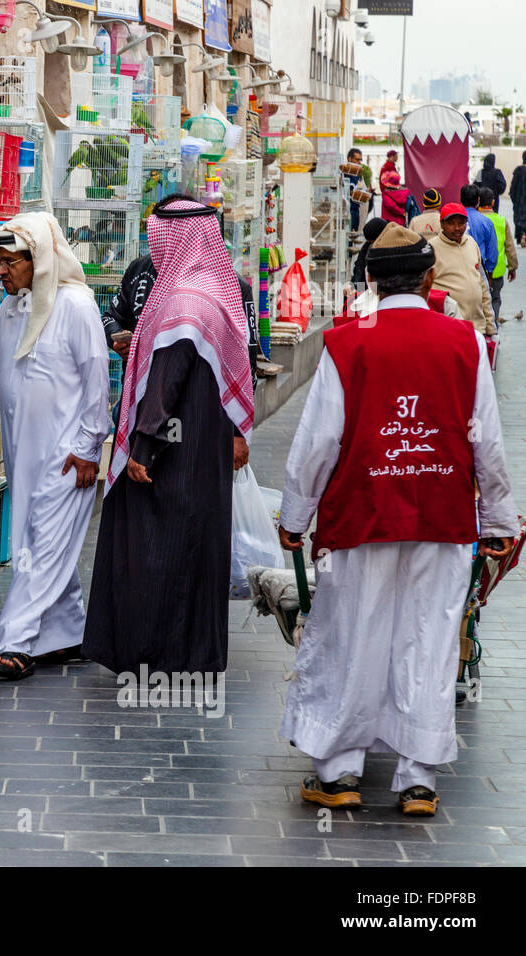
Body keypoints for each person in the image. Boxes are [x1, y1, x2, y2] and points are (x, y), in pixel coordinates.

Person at [278, 222, 517, 816]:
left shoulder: (346, 343)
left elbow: (318, 443)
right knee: (430, 640)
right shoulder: (464, 342)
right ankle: (418, 779)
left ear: (370, 281)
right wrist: (499, 522)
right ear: (430, 276)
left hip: (360, 518)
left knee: (348, 636)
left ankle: (339, 774)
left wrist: (293, 516)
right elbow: (486, 444)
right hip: (444, 517)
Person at [82, 199, 254, 675]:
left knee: (159, 549)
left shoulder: (183, 299)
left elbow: (165, 379)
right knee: (197, 547)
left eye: (158, 236)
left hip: (172, 453)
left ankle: (153, 653)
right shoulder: (212, 289)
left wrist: (143, 445)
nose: (153, 247)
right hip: (204, 443)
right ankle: (194, 654)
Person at [0, 213, 111, 681]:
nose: (1, 271)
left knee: (42, 549)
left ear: (37, 259)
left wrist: (89, 446)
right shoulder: (12, 310)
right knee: (41, 543)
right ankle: (68, 633)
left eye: (9, 261)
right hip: (24, 457)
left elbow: (98, 378)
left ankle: (14, 642)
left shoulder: (75, 305)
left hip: (68, 457)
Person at [102, 193, 265, 393]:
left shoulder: (232, 286)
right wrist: (118, 340)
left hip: (201, 404)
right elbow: (110, 318)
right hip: (141, 395)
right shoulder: (139, 271)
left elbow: (246, 358)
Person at [431, 202, 496, 341]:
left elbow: (483, 287)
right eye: (451, 223)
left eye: (461, 223)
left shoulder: (471, 243)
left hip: (478, 329)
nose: (457, 228)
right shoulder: (432, 249)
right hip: (451, 330)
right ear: (442, 224)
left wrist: (491, 328)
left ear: (467, 223)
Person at [477, 184, 518, 322]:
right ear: (493, 202)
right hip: (497, 270)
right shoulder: (501, 221)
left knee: (479, 299)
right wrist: (512, 267)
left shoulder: (474, 220)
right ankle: (493, 326)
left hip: (478, 269)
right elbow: (509, 247)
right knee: (495, 299)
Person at [460, 184, 499, 276]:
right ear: (478, 200)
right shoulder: (486, 222)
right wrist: (489, 271)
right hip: (478, 270)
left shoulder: (454, 220)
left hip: (458, 269)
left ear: (461, 199)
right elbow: (492, 251)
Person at [342, 148, 374, 232]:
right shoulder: (345, 173)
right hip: (349, 210)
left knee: (354, 234)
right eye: (357, 160)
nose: (359, 162)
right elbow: (348, 192)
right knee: (348, 235)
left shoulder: (357, 173)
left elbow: (358, 188)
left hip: (356, 209)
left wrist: (367, 192)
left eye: (360, 160)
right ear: (350, 159)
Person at [509, 151, 526, 245]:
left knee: (519, 219)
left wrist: (514, 200)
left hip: (519, 202)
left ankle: (522, 234)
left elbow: (513, 187)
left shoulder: (518, 171)